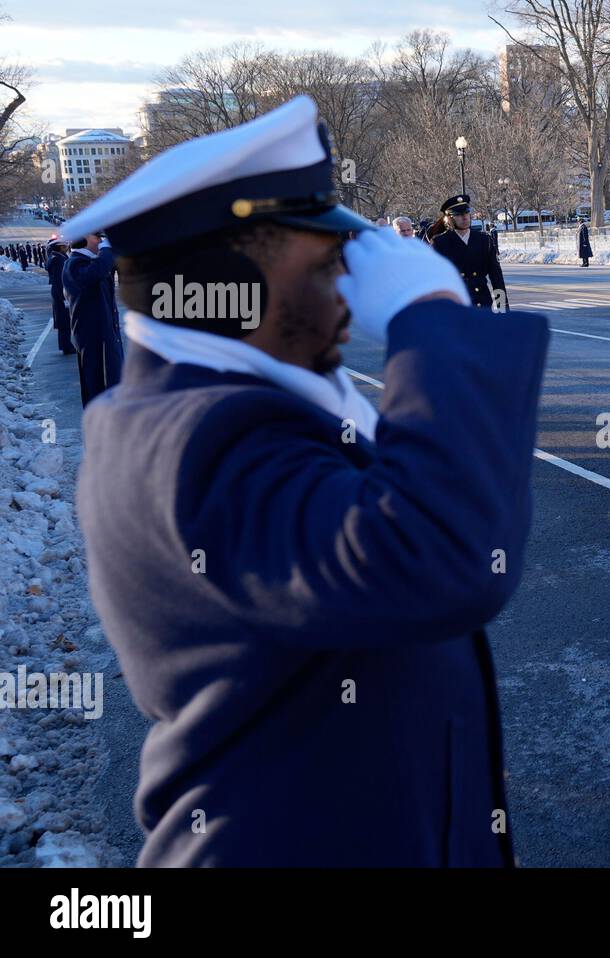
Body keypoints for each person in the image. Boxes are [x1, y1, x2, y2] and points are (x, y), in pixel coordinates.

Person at [64, 95, 549, 867]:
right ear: (237, 285)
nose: (350, 298)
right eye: (327, 267)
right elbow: (434, 556)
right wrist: (431, 318)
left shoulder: (219, 403)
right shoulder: (186, 439)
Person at [62, 231, 123, 406]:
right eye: (97, 237)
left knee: (110, 380)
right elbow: (95, 273)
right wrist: (106, 251)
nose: (100, 241)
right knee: (98, 382)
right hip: (93, 334)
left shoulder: (87, 263)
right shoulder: (74, 263)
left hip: (102, 332)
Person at [431, 195, 508, 310]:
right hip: (455, 305)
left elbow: (496, 277)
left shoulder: (484, 240)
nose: (464, 217)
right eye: (458, 215)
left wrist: (502, 307)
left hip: (481, 302)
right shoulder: (440, 243)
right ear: (449, 219)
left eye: (466, 213)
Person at [46, 238, 75, 355]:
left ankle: (65, 345)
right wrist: (64, 298)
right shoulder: (58, 260)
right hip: (60, 293)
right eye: (64, 245)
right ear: (59, 247)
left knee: (64, 320)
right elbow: (59, 281)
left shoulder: (58, 257)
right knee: (64, 321)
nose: (67, 247)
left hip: (59, 292)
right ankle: (66, 346)